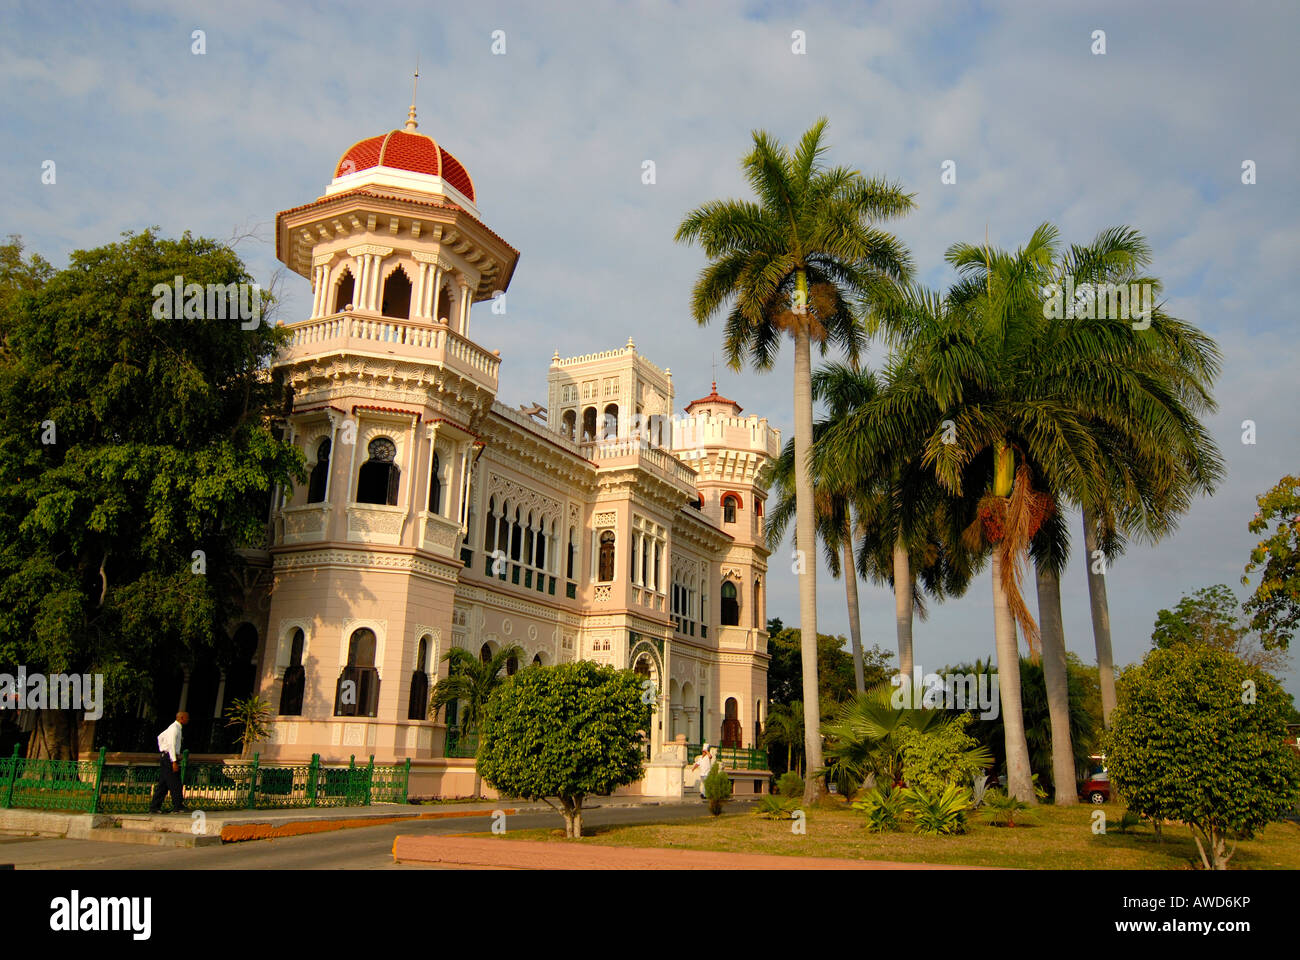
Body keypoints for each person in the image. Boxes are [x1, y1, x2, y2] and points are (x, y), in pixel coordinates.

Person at [149, 711, 190, 815]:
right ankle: (178, 806)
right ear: (181, 718)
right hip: (169, 758)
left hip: (166, 756)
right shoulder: (174, 729)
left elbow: (160, 737)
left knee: (163, 784)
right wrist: (174, 761)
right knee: (175, 782)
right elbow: (171, 745)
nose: (187, 720)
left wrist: (162, 748)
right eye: (186, 718)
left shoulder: (174, 728)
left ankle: (154, 807)